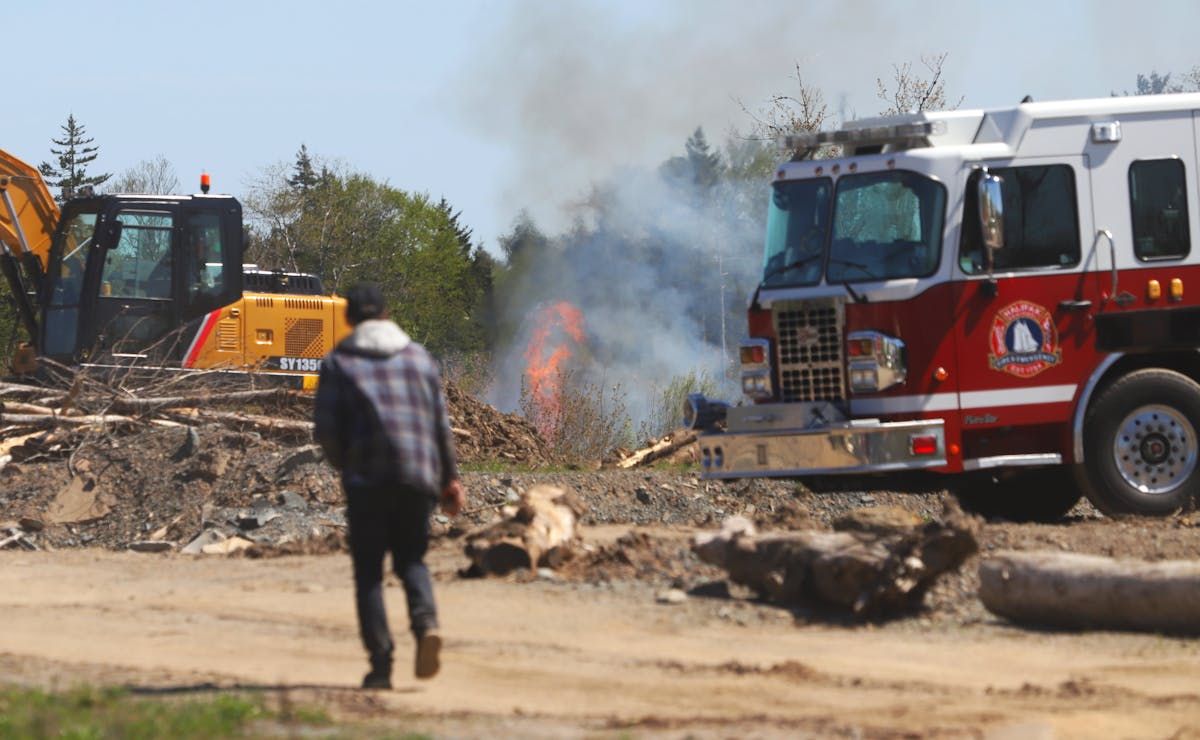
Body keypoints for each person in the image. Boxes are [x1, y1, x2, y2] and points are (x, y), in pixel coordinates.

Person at [313, 283, 466, 690]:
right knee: (411, 561)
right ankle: (426, 624)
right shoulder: (419, 358)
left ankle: (381, 666)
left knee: (368, 573)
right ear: (386, 313)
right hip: (419, 478)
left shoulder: (338, 362)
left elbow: (326, 430)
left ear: (348, 317)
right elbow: (440, 427)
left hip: (367, 480)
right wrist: (450, 480)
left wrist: (345, 463)